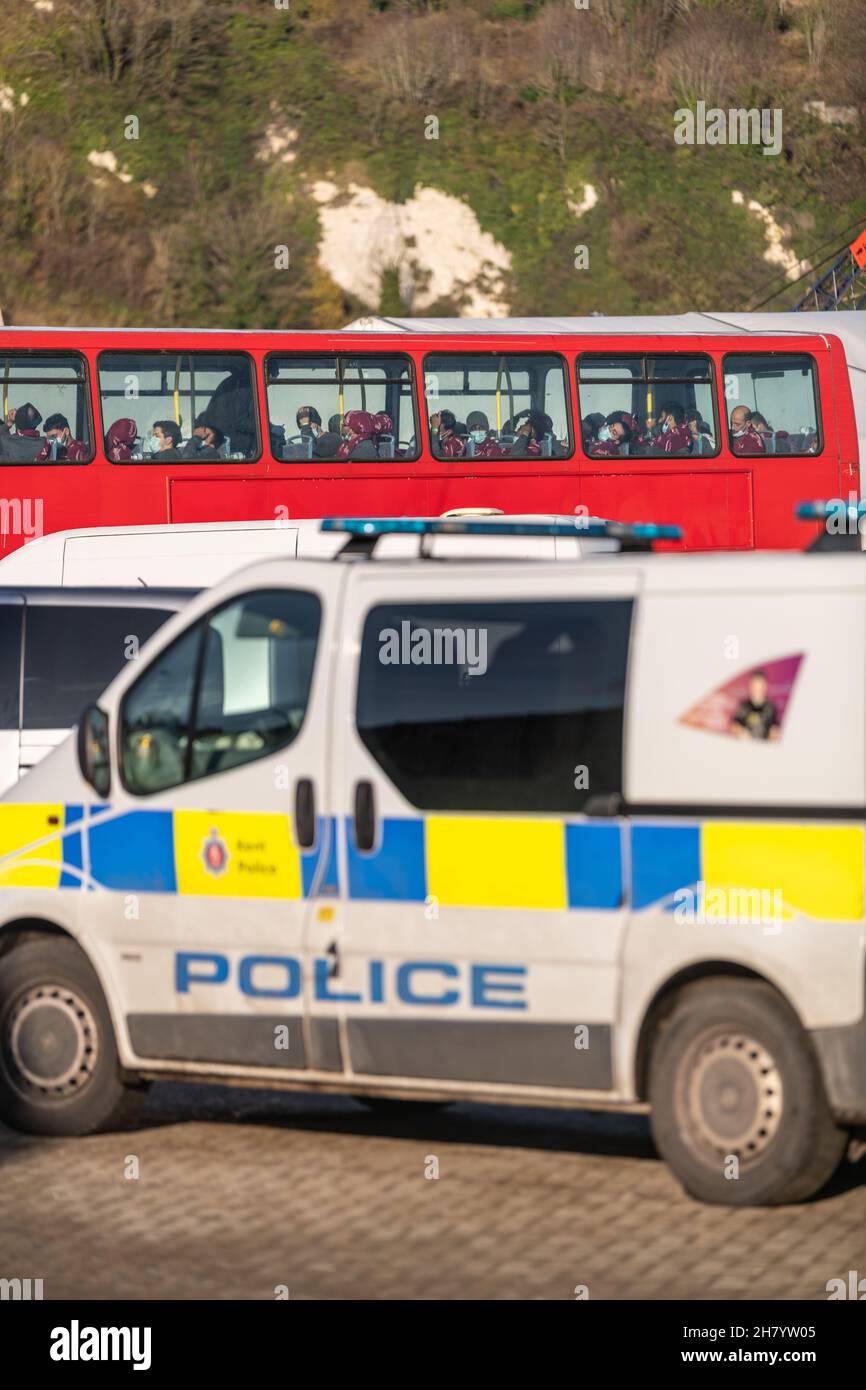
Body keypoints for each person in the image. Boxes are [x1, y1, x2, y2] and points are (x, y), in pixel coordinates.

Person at [204, 365, 256, 456]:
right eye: (272, 375)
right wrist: (268, 428)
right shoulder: (244, 388)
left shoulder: (234, 384)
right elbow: (241, 421)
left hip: (220, 436)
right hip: (232, 441)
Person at [730, 669, 780, 741]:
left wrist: (774, 736)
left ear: (765, 686)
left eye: (759, 686)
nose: (757, 689)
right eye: (755, 686)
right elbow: (734, 726)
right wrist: (741, 732)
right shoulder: (744, 706)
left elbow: (775, 730)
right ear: (750, 686)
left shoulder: (771, 707)